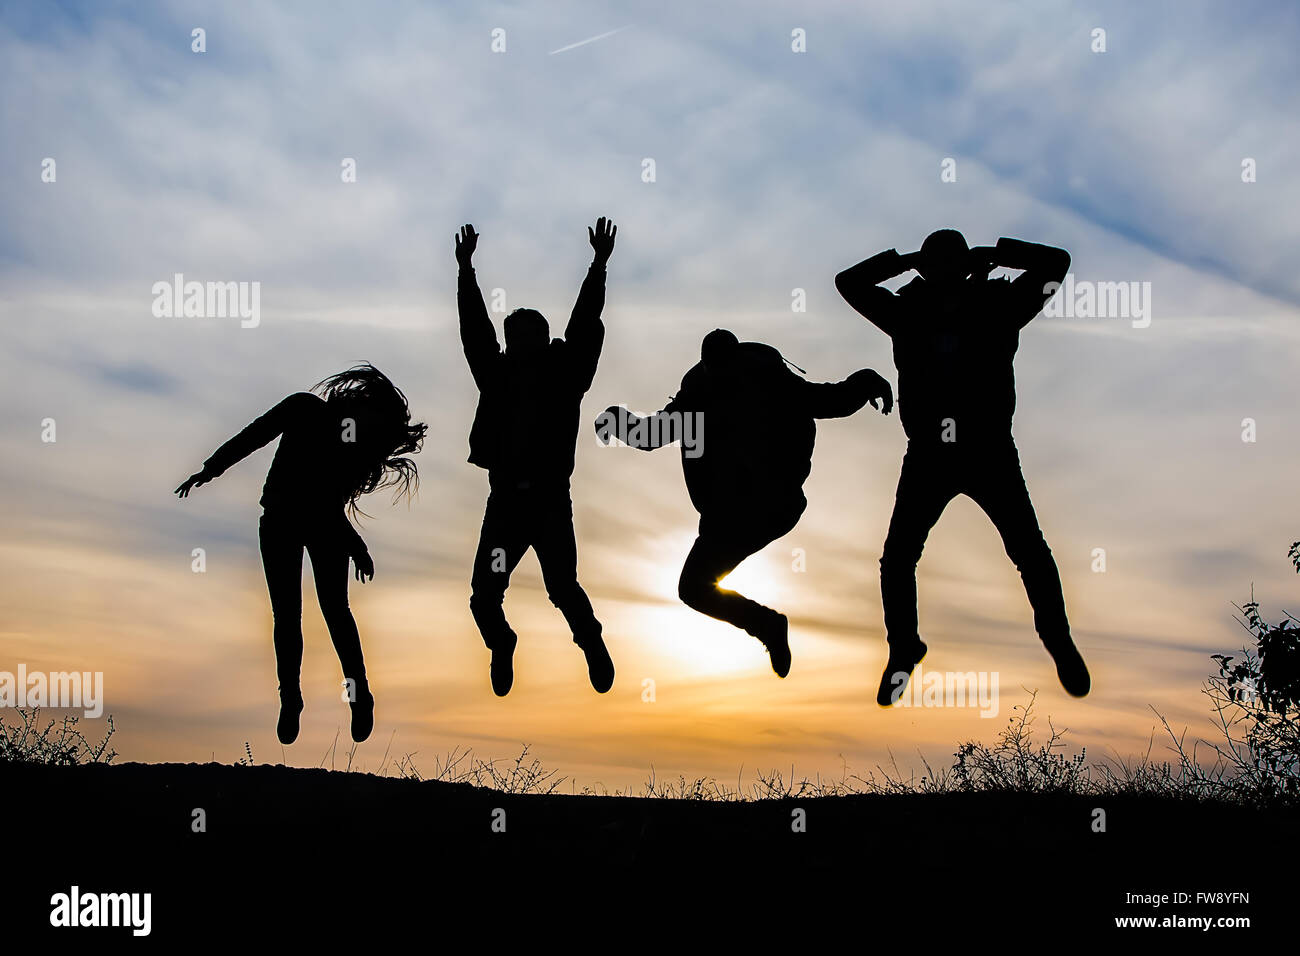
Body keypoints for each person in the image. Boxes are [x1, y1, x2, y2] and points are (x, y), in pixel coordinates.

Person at [835, 229, 1090, 705]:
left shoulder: (995, 304)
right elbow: (847, 282)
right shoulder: (915, 310)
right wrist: (921, 260)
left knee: (1024, 551)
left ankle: (1056, 637)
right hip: (935, 453)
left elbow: (1057, 262)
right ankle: (904, 648)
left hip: (985, 448)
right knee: (903, 558)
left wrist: (990, 254)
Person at [595, 329, 893, 676]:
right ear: (707, 370)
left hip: (772, 505)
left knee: (694, 586)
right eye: (716, 373)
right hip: (729, 515)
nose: (723, 380)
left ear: (737, 364)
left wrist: (867, 382)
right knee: (693, 589)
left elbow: (830, 400)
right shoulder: (698, 398)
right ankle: (767, 625)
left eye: (727, 372)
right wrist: (619, 420)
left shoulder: (771, 383)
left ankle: (767, 626)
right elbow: (653, 434)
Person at [175, 364, 426, 743]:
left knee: (334, 610)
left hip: (324, 526)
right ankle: (290, 698)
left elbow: (326, 501)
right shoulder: (303, 408)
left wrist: (355, 546)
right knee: (288, 614)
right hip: (280, 520)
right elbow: (253, 436)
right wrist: (210, 470)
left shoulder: (353, 441)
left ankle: (359, 696)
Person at [456, 218, 617, 697]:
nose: (518, 343)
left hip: (548, 505)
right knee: (485, 596)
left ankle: (591, 642)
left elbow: (585, 324)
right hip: (505, 505)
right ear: (509, 342)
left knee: (563, 588)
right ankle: (502, 643)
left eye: (528, 335)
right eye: (513, 336)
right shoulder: (497, 374)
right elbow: (475, 332)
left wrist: (599, 265)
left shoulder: (565, 374)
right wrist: (466, 273)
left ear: (543, 340)